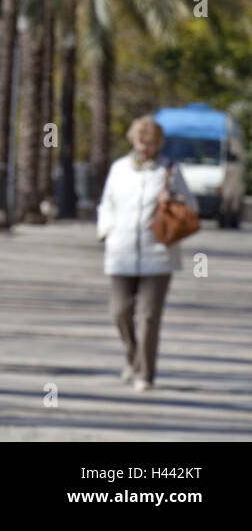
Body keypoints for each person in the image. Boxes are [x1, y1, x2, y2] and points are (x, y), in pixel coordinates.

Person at [97, 115, 196, 392]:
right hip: (121, 251)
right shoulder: (119, 169)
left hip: (159, 254)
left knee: (149, 317)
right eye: (141, 142)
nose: (145, 148)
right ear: (133, 140)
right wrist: (106, 231)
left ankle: (145, 373)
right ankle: (132, 355)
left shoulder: (170, 170)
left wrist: (174, 199)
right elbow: (106, 203)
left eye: (150, 143)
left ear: (158, 144)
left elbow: (192, 205)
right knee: (119, 312)